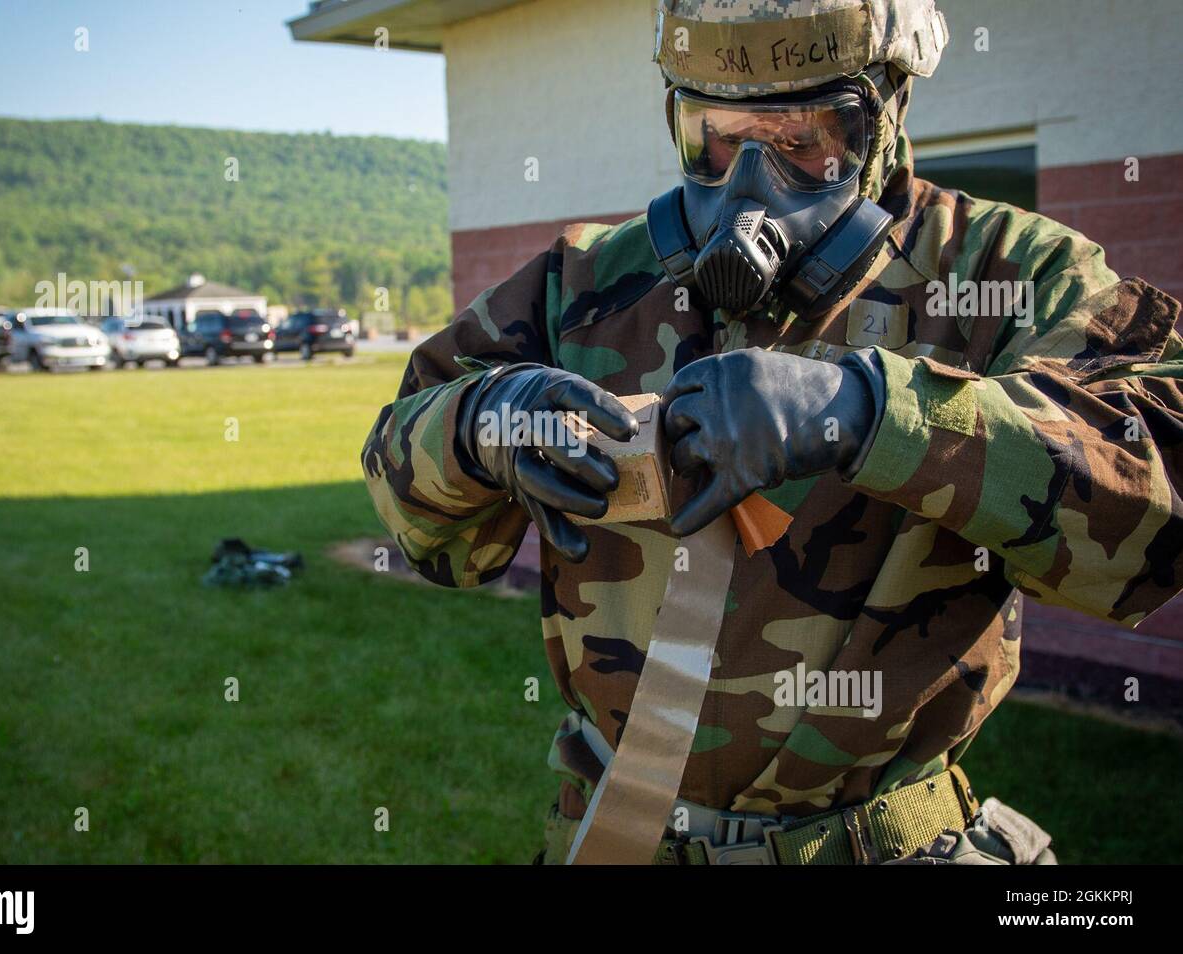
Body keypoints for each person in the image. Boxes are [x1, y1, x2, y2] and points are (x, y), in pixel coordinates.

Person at [361, 0, 1183, 864]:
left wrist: (873, 417)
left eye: (803, 140)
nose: (749, 187)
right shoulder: (585, 284)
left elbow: (1156, 506)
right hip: (622, 835)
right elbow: (417, 515)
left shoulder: (1003, 275)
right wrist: (482, 423)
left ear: (886, 115)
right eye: (714, 139)